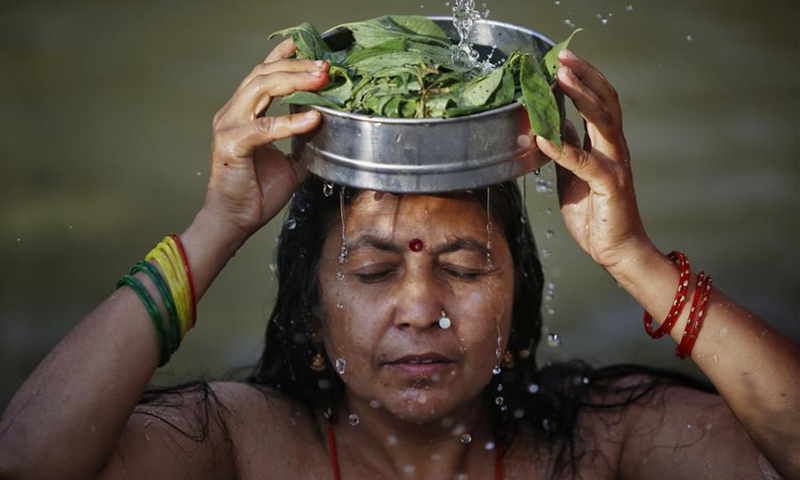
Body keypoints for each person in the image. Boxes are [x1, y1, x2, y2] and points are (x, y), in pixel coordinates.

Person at [0, 37, 798, 480]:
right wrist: (216, 226)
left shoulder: (597, 443)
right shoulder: (246, 446)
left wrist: (633, 258)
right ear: (311, 304)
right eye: (374, 271)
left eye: (465, 265)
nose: (421, 307)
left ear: (521, 299)